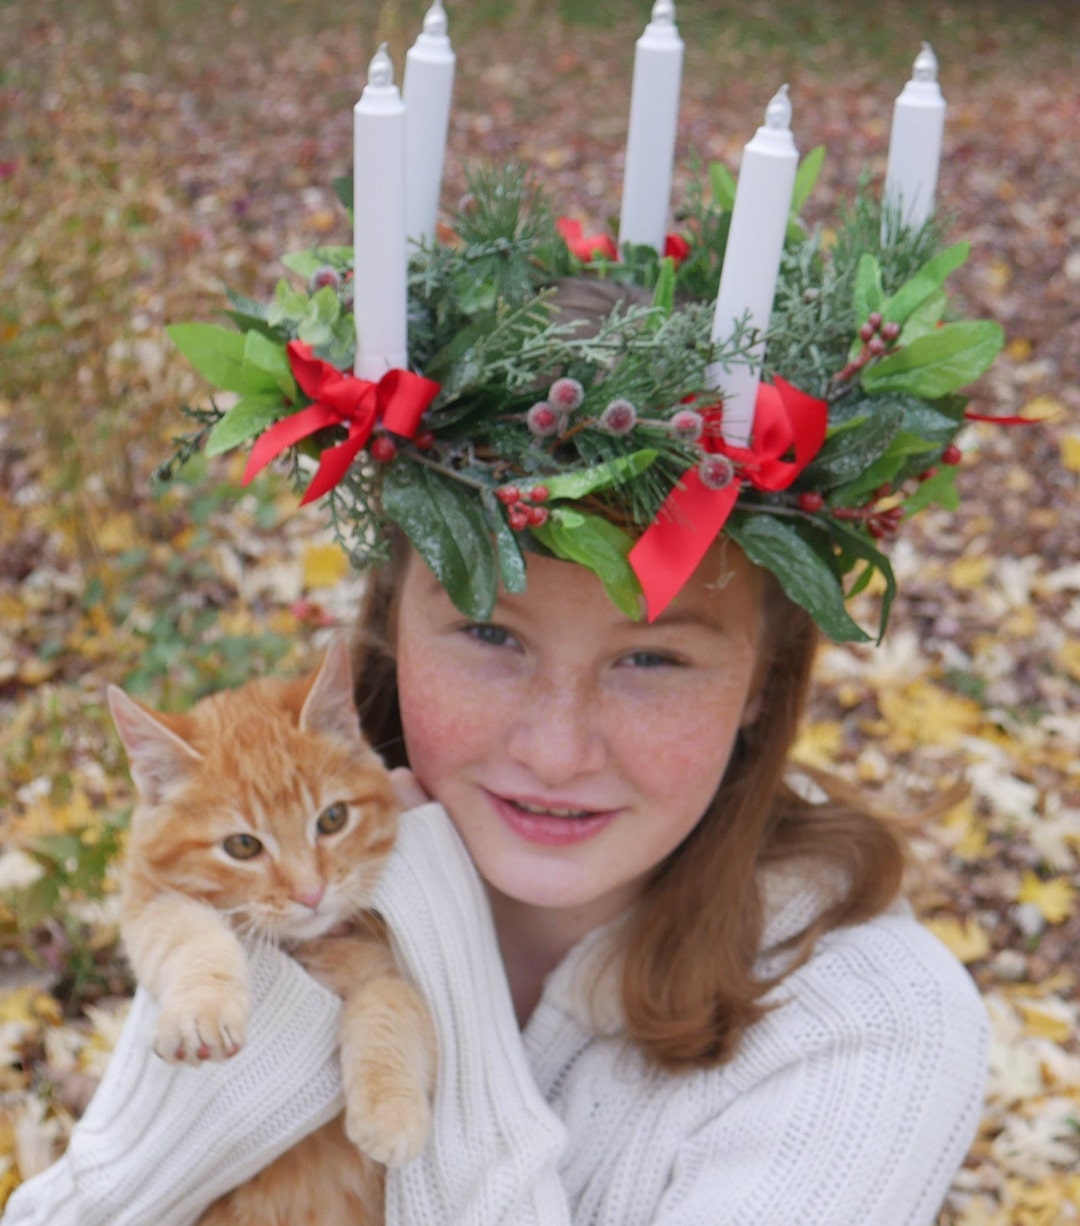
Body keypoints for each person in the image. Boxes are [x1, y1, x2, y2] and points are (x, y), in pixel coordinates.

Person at [3, 159, 999, 1223]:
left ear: (763, 682)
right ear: (389, 635)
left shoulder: (864, 1025)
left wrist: (442, 962)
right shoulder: (291, 863)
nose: (557, 748)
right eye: (489, 632)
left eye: (651, 659)